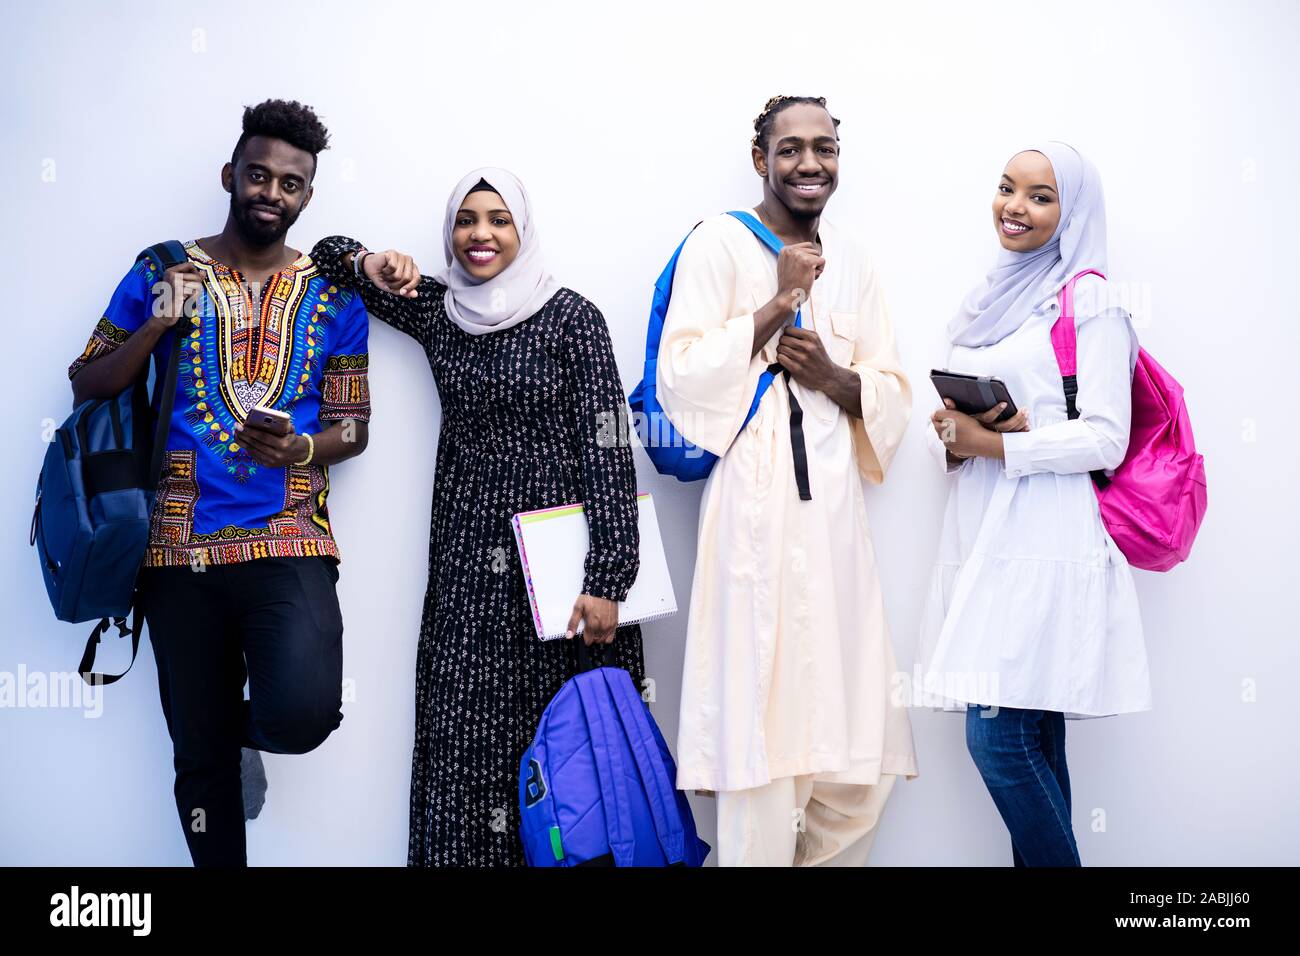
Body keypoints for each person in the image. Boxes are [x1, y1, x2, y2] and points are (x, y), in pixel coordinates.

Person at [67, 99, 371, 866]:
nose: (272, 192)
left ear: (307, 197)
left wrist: (301, 448)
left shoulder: (335, 297)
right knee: (197, 764)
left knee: (305, 712)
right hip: (176, 548)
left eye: (291, 183)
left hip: (289, 538)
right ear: (231, 175)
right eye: (260, 175)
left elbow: (356, 427)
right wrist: (158, 323)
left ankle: (235, 729)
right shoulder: (160, 266)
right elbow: (86, 383)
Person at [311, 167, 645, 866]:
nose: (481, 234)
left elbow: (609, 444)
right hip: (468, 572)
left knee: (570, 762)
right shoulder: (441, 310)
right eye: (466, 219)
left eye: (498, 219)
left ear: (523, 230)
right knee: (467, 749)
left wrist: (611, 576)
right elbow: (326, 255)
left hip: (563, 586)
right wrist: (368, 260)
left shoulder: (571, 317)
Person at [657, 95, 918, 866]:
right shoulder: (717, 243)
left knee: (853, 757)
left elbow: (893, 387)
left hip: (836, 516)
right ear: (760, 156)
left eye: (826, 148)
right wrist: (777, 304)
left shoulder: (858, 257)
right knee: (759, 735)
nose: (810, 163)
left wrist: (839, 379)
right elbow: (680, 379)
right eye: (793, 147)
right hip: (752, 513)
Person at [920, 142, 1150, 866]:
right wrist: (957, 439)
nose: (1015, 207)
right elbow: (977, 430)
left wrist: (1003, 447)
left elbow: (1108, 437)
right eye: (1006, 188)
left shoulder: (1094, 299)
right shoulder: (990, 297)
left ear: (1073, 211)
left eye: (1041, 196)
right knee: (1036, 738)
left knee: (997, 735)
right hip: (987, 531)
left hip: (1050, 540)